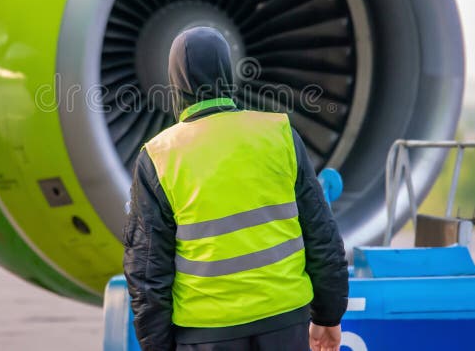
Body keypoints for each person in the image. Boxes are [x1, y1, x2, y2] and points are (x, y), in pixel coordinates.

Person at [123, 27, 349, 351]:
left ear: (175, 83)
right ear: (228, 72)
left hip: (206, 333)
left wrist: (156, 346)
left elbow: (147, 271)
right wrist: (328, 316)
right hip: (284, 322)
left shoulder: (158, 157)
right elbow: (321, 234)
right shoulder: (279, 133)